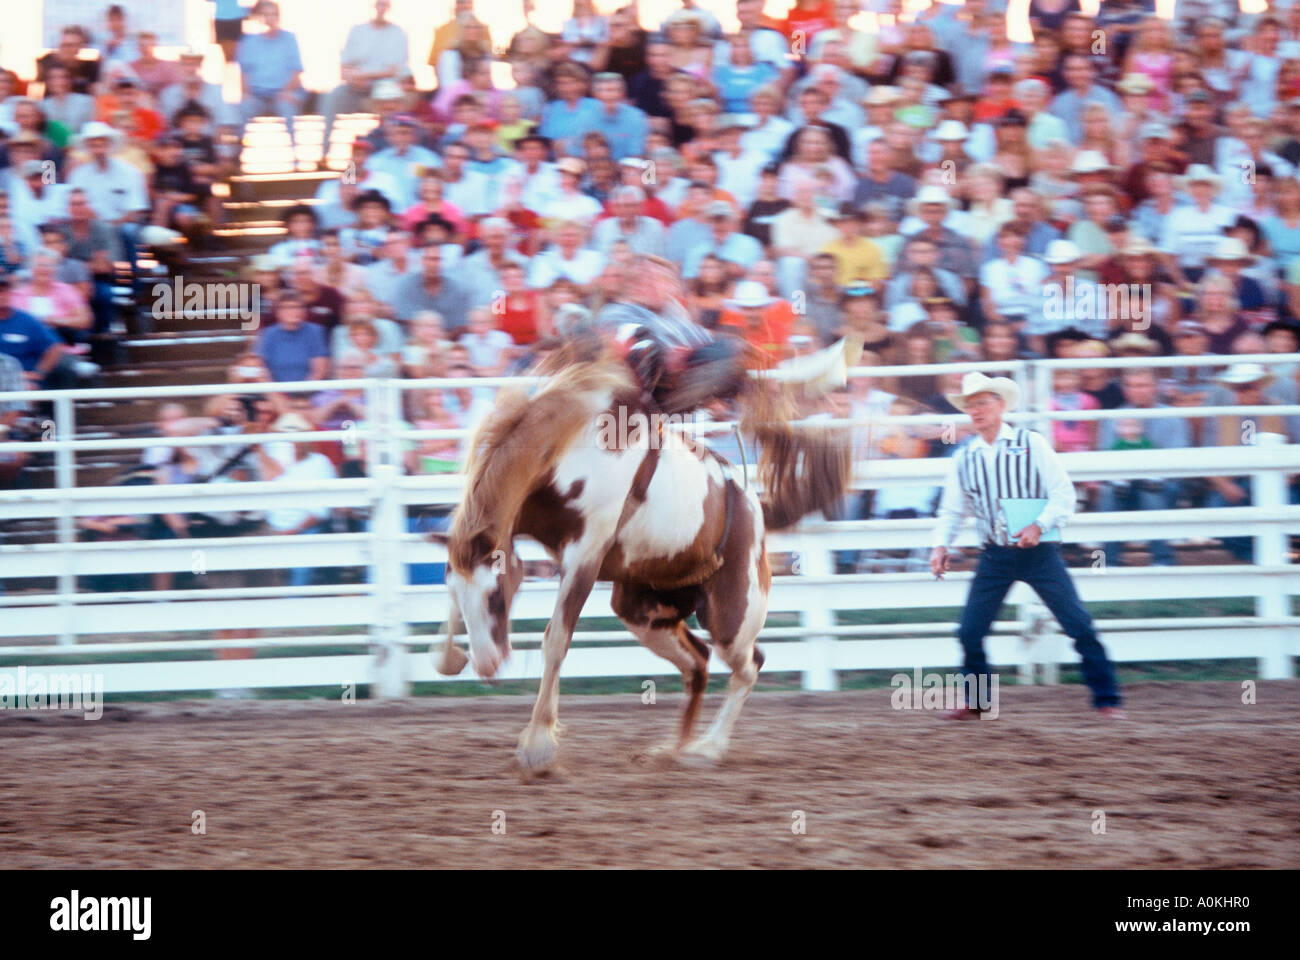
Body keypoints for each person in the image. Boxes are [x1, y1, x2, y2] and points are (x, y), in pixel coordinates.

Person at [929, 372, 1124, 719]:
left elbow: (1063, 493)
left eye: (983, 402)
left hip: (1038, 554)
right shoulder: (964, 457)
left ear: (1000, 405)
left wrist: (1039, 524)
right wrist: (940, 545)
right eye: (971, 405)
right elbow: (952, 510)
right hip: (995, 555)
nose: (977, 410)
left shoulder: (1031, 443)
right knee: (969, 631)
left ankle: (1106, 698)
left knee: (1078, 624)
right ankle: (978, 701)